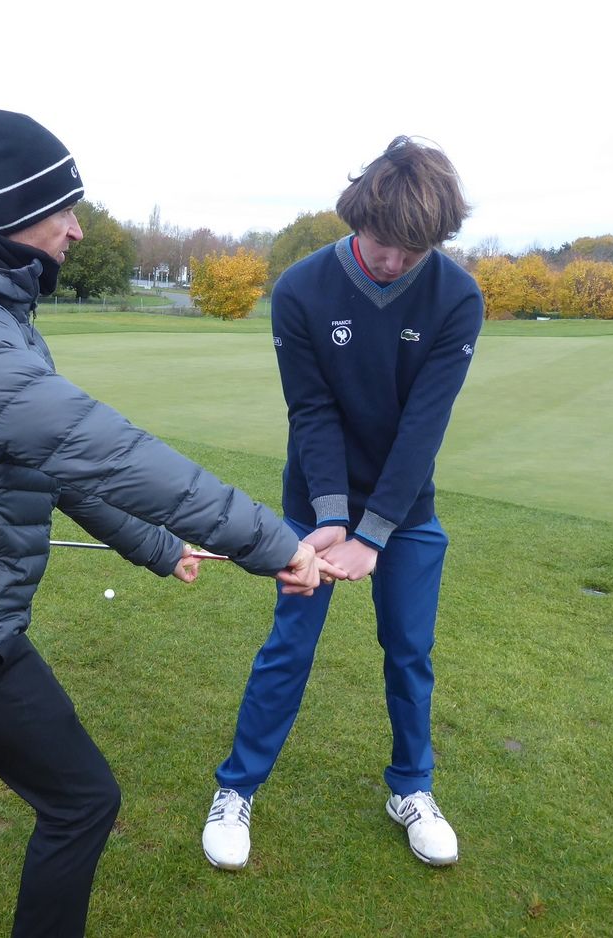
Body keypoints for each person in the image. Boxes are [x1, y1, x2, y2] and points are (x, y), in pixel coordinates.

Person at [0, 110, 337, 936]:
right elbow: (98, 447)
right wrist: (273, 541)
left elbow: (52, 467)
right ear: (13, 214)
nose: (79, 230)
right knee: (84, 801)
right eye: (65, 210)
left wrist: (158, 547)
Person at [200, 135, 483, 871]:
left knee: (409, 651)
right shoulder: (300, 290)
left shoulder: (458, 296)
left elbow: (425, 426)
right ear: (358, 216)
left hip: (407, 511)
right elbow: (312, 410)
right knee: (289, 646)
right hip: (312, 502)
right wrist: (332, 521)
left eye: (413, 250)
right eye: (385, 241)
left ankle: (411, 789)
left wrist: (375, 533)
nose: (393, 261)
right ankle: (236, 790)